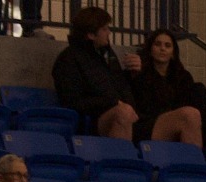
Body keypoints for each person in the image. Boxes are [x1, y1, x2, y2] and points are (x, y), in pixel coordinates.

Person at [129, 27, 206, 146]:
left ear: (173, 53)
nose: (162, 48)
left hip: (191, 113)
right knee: (198, 89)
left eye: (167, 45)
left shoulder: (182, 76)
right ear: (150, 50)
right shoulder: (143, 75)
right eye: (158, 44)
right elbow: (149, 105)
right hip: (167, 118)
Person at [51, 7, 142, 141]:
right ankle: (121, 160)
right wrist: (112, 102)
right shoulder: (68, 60)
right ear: (91, 35)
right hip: (93, 120)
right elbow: (73, 102)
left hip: (125, 113)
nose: (109, 33)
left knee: (182, 115)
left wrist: (134, 75)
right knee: (124, 113)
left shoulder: (107, 54)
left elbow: (119, 85)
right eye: (104, 29)